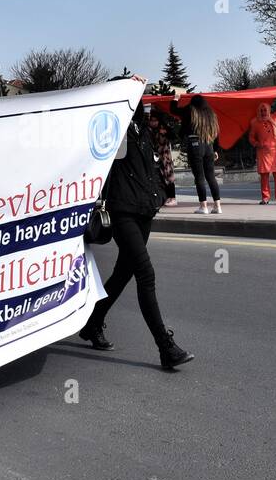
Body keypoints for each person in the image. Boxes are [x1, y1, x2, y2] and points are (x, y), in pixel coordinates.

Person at [79, 84, 193, 371]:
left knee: (123, 272)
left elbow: (176, 130)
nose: (141, 103)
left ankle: (92, 322)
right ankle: (165, 347)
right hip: (123, 211)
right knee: (145, 273)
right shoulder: (111, 128)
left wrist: (176, 104)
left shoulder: (143, 127)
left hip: (144, 208)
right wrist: (126, 86)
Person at [169, 94, 222, 215]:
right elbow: (217, 133)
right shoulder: (211, 114)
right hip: (209, 145)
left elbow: (174, 110)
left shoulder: (190, 110)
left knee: (199, 177)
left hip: (195, 144)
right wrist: (215, 150)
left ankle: (203, 207)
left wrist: (175, 99)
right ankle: (217, 206)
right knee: (211, 176)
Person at [247, 99, 276, 205]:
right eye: (261, 110)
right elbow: (251, 138)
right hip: (263, 152)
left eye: (265, 110)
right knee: (264, 176)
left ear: (269, 111)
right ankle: (265, 198)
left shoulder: (274, 118)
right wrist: (257, 144)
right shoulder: (254, 123)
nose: (263, 112)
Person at [146, 107, 177, 206]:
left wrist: (165, 131)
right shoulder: (150, 130)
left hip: (165, 158)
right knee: (159, 179)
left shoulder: (162, 129)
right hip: (155, 158)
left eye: (155, 120)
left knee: (169, 178)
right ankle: (165, 197)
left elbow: (173, 136)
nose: (153, 122)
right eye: (151, 120)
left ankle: (172, 198)